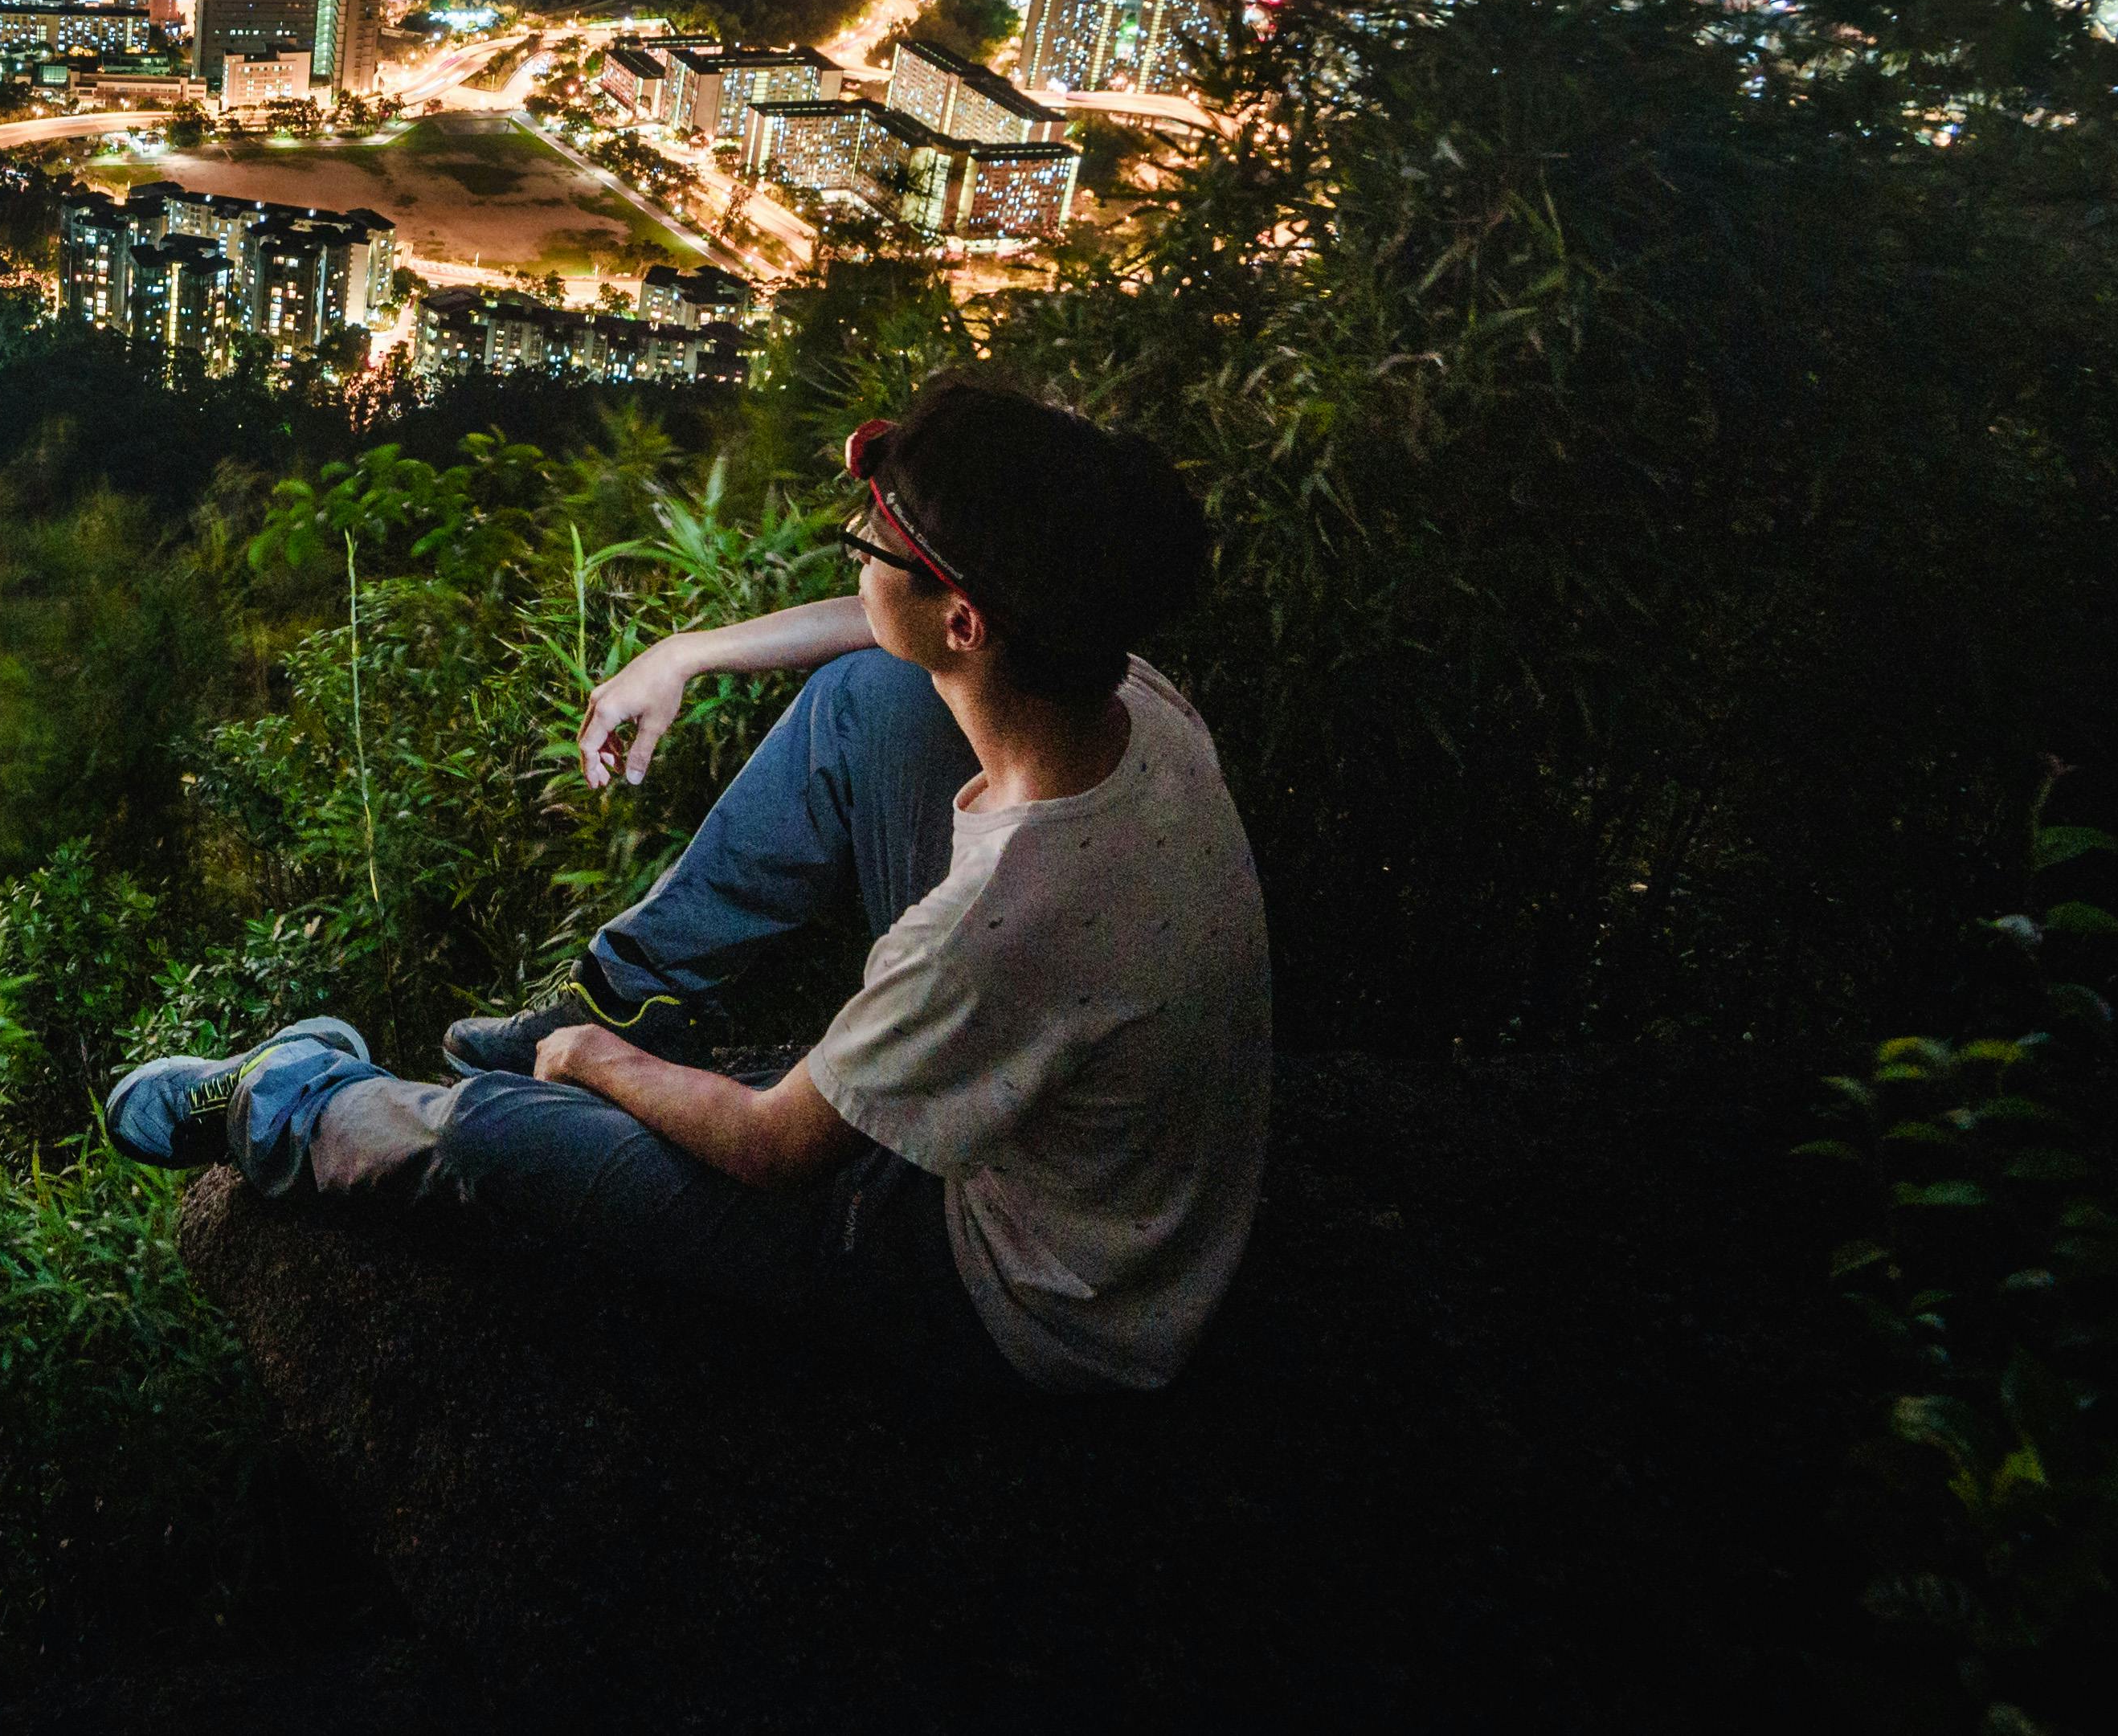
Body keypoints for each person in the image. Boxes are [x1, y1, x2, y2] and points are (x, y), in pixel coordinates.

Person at [101, 376, 1272, 1396]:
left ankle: (291, 1100)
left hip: (1011, 1295)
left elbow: (775, 1149)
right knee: (866, 703)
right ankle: (622, 993)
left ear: (964, 617)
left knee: (507, 1136)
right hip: (1123, 1202)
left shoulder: (997, 925)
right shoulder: (1127, 700)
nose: (854, 546)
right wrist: (689, 652)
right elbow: (887, 646)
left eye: (874, 542)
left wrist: (594, 1071)